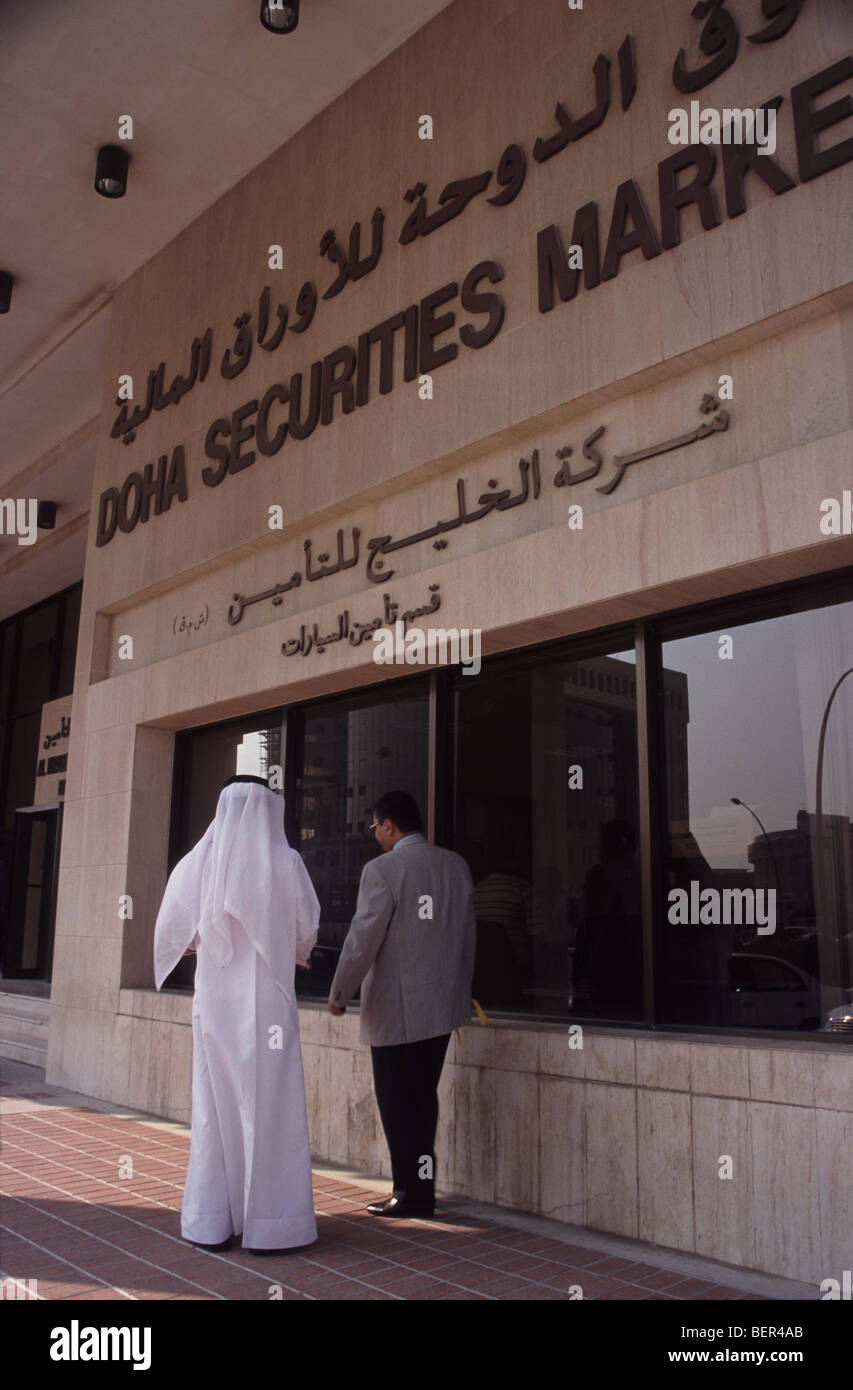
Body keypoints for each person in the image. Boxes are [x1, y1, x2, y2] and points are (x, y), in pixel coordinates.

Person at [153, 775, 320, 1253]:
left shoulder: (196, 863)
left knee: (213, 1108)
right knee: (273, 1108)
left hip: (214, 1005)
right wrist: (292, 947)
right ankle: (274, 1227)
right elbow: (307, 928)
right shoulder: (286, 861)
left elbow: (173, 929)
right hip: (269, 1006)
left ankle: (211, 1222)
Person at [327, 790, 476, 1219]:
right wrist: (460, 994)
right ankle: (421, 1191)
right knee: (423, 1100)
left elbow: (362, 940)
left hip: (397, 1009)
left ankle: (407, 1192)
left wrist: (340, 994)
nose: (375, 835)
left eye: (375, 826)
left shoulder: (383, 870)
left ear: (389, 824)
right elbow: (468, 936)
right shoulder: (455, 865)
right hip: (443, 1007)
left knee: (396, 1102)